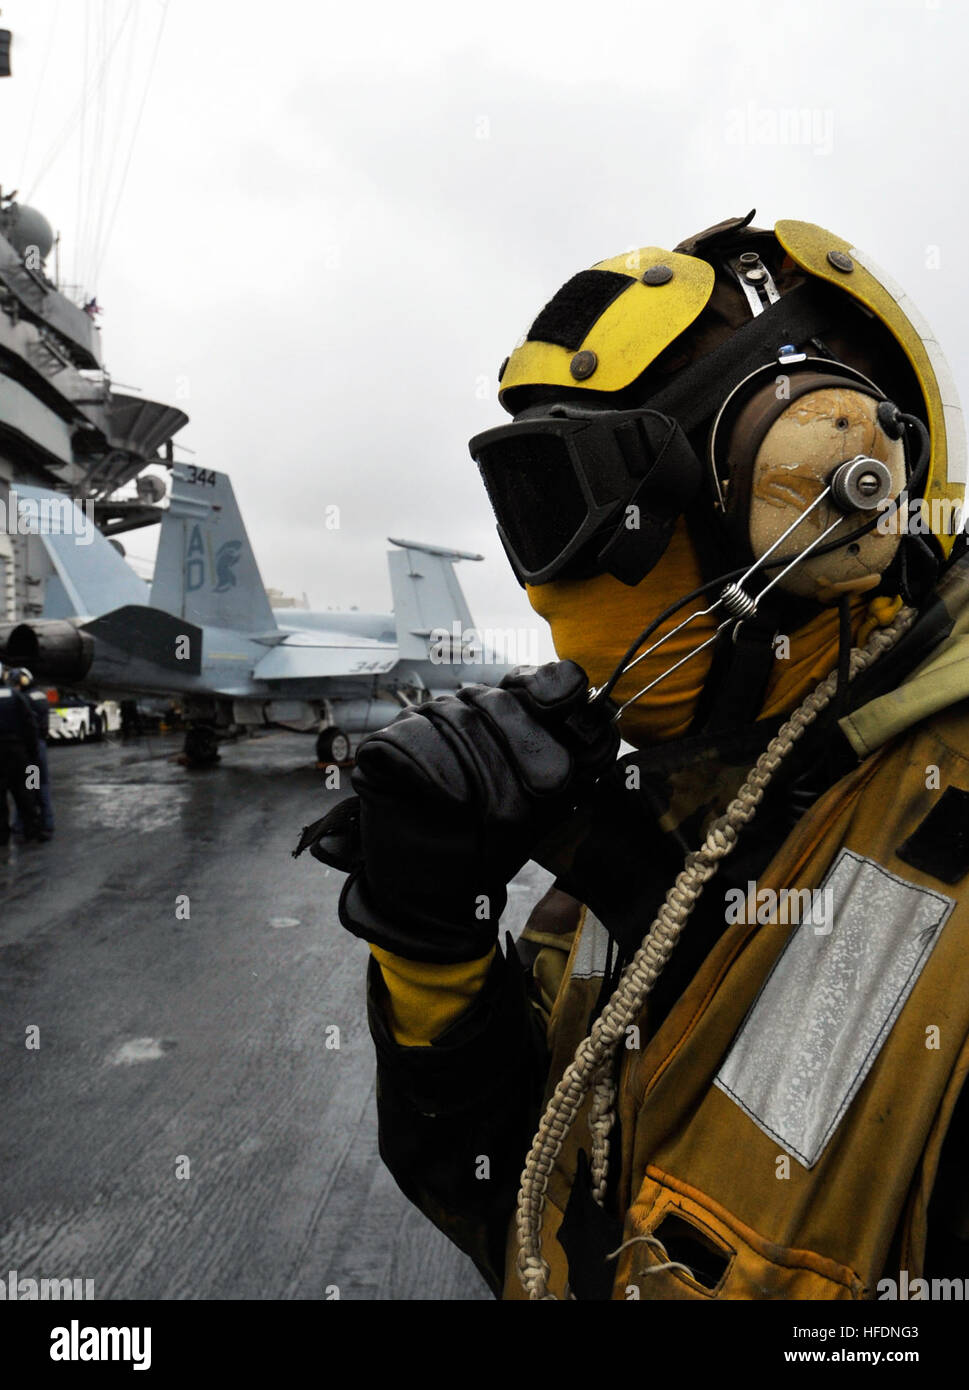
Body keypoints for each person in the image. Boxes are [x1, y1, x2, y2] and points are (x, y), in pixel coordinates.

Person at [296, 212, 969, 1301]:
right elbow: (523, 1204)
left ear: (832, 478)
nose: (548, 587)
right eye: (526, 510)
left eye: (578, 499)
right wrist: (433, 948)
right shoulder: (666, 818)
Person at [0, 664, 44, 844]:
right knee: (26, 791)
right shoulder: (16, 696)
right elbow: (30, 726)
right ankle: (31, 830)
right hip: (18, 752)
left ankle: (2, 835)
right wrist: (32, 754)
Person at [7, 667, 54, 834]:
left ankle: (28, 823)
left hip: (31, 747)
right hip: (39, 745)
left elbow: (26, 724)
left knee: (30, 786)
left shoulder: (24, 699)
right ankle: (46, 821)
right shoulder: (40, 695)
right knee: (41, 785)